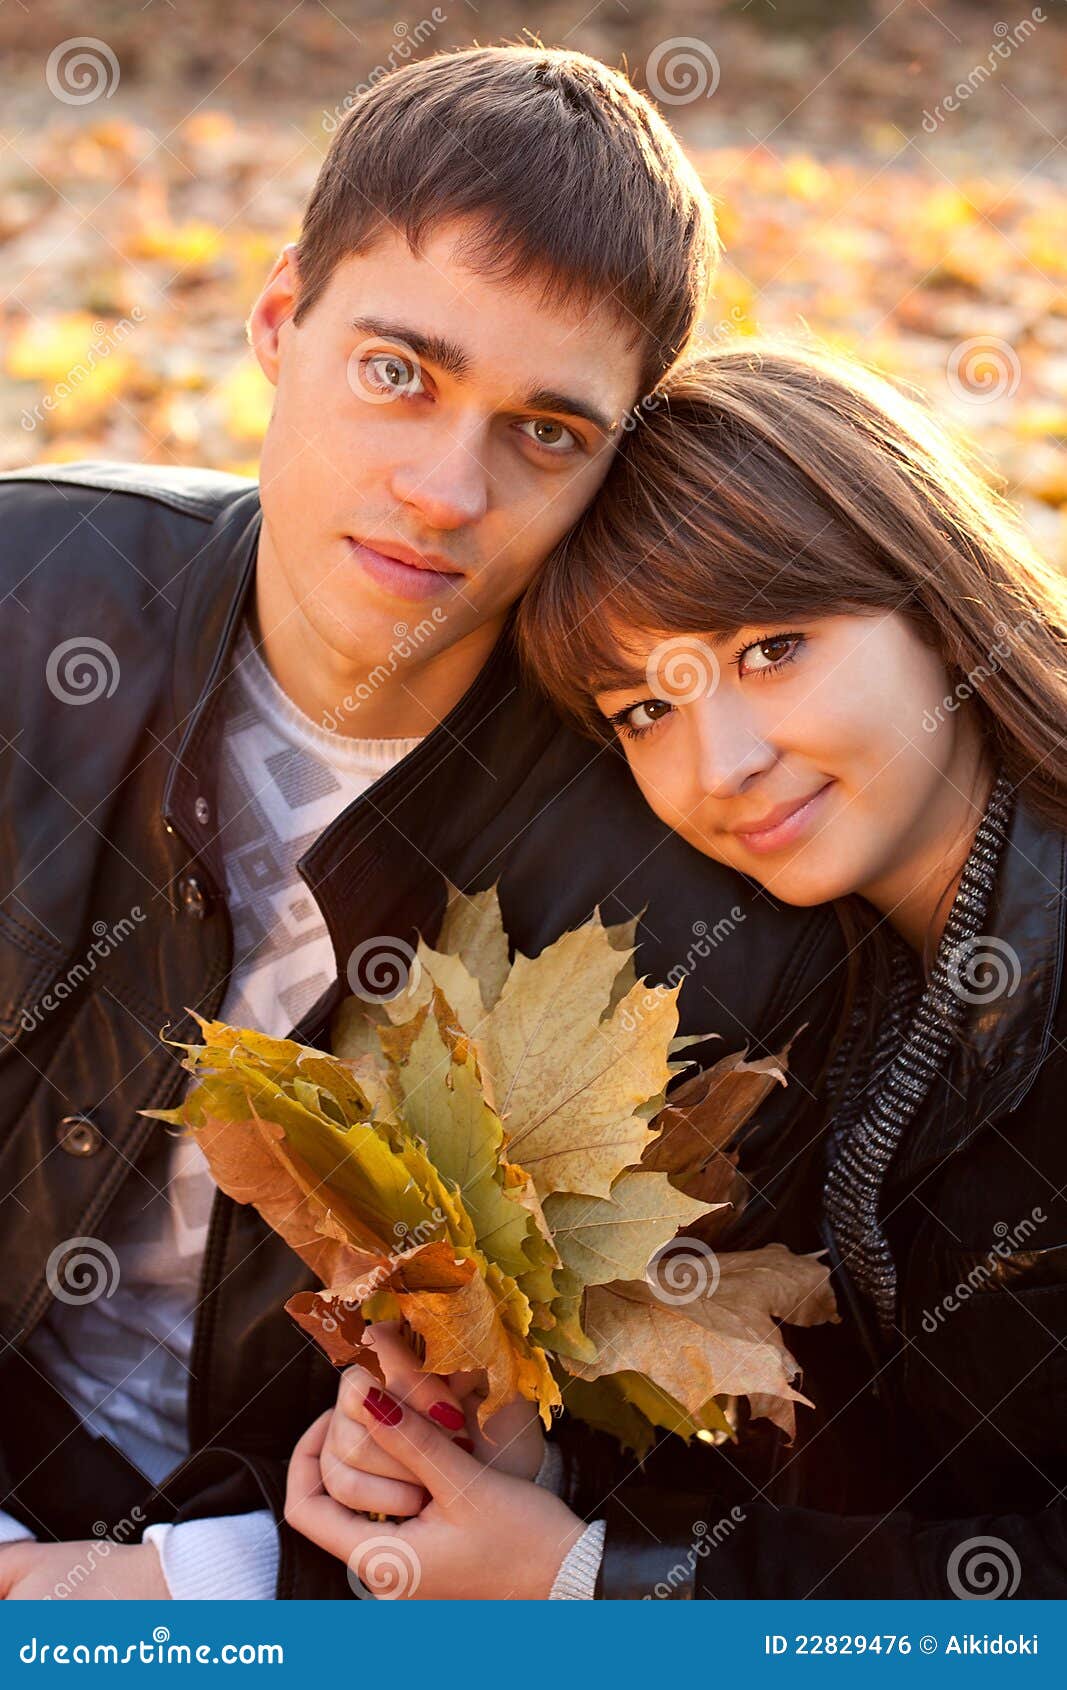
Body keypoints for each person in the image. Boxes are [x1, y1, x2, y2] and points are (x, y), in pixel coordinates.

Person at [0, 54, 848, 1601]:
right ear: (277, 320)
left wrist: (215, 1582)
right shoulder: (25, 602)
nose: (443, 488)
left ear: (610, 463)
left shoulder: (689, 880)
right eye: (400, 370)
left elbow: (648, 1477)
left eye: (542, 432)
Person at [286, 342, 1067, 1599]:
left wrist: (594, 1590)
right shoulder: (854, 1000)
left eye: (770, 648)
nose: (723, 762)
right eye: (644, 707)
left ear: (934, 594)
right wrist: (526, 1481)